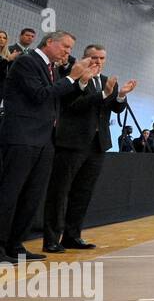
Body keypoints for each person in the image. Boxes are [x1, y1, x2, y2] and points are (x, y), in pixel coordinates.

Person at [0, 31, 92, 263]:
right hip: (21, 138)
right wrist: (71, 78)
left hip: (44, 140)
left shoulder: (51, 69)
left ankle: (15, 243)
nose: (68, 52)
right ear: (50, 42)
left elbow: (58, 100)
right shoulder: (27, 62)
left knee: (31, 197)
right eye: (65, 46)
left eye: (70, 49)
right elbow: (40, 95)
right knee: (10, 194)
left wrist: (80, 83)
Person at [43, 44, 136, 252]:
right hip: (72, 142)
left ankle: (72, 236)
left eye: (102, 58)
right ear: (85, 58)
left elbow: (114, 108)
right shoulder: (73, 76)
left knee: (83, 192)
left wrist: (120, 95)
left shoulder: (106, 81)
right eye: (94, 57)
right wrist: (103, 94)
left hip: (98, 144)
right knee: (60, 192)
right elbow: (74, 106)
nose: (98, 61)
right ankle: (50, 238)